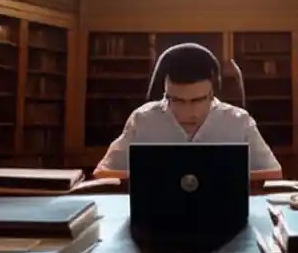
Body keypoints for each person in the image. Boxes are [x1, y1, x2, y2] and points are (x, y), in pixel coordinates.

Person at [93, 43, 282, 181]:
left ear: (212, 92)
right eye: (176, 100)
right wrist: (157, 177)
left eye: (197, 100)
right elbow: (102, 173)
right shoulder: (143, 119)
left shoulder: (238, 121)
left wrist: (216, 178)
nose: (187, 111)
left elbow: (274, 174)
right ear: (165, 92)